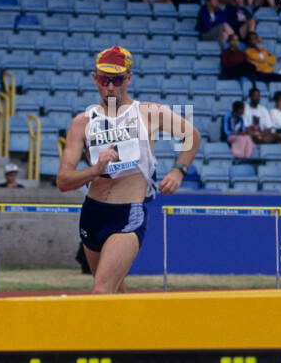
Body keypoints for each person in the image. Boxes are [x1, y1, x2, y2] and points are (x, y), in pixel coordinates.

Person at [56, 44, 200, 294]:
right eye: (104, 79)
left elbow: (192, 136)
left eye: (117, 79)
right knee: (115, 292)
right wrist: (94, 170)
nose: (110, 86)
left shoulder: (149, 113)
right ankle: (137, 332)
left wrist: (178, 170)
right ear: (94, 79)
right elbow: (63, 181)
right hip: (93, 212)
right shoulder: (82, 123)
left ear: (129, 78)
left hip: (127, 213)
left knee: (101, 290)